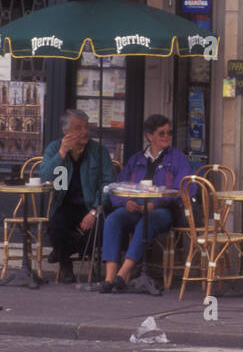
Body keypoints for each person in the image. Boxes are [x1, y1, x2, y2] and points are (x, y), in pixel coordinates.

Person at [99, 114, 192, 295]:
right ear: (149, 136)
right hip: (136, 207)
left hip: (163, 210)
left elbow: (185, 188)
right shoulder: (136, 159)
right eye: (161, 133)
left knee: (146, 223)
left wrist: (155, 204)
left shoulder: (178, 158)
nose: (166, 136)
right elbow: (119, 185)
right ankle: (109, 279)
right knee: (112, 220)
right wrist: (126, 202)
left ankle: (122, 274)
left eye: (169, 133)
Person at [40, 109, 114, 283]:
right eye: (78, 128)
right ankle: (65, 265)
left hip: (90, 206)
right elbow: (45, 177)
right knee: (55, 226)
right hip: (64, 205)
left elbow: (107, 184)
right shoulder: (54, 148)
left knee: (100, 228)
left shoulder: (98, 151)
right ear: (66, 132)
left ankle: (60, 252)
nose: (84, 132)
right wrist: (61, 153)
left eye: (86, 127)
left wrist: (95, 211)